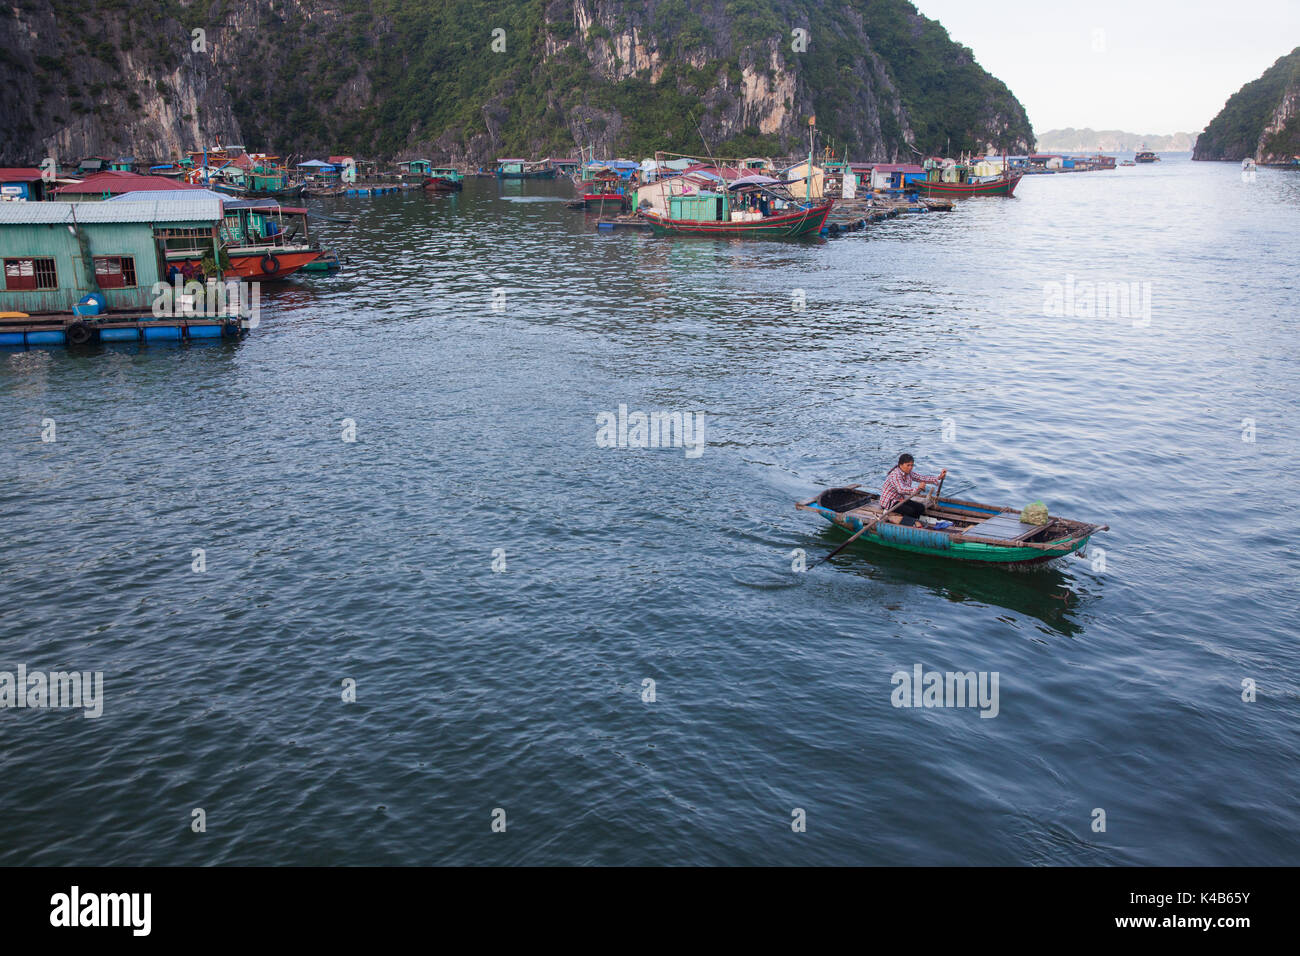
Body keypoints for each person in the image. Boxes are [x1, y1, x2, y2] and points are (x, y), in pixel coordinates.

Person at [880, 454, 947, 526]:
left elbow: (921, 478)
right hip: (890, 501)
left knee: (920, 507)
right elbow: (901, 489)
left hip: (900, 499)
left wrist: (938, 477)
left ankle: (913, 522)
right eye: (908, 465)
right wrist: (918, 488)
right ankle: (909, 523)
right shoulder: (895, 475)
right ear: (901, 465)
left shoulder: (908, 473)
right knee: (910, 511)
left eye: (912, 465)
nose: (910, 468)